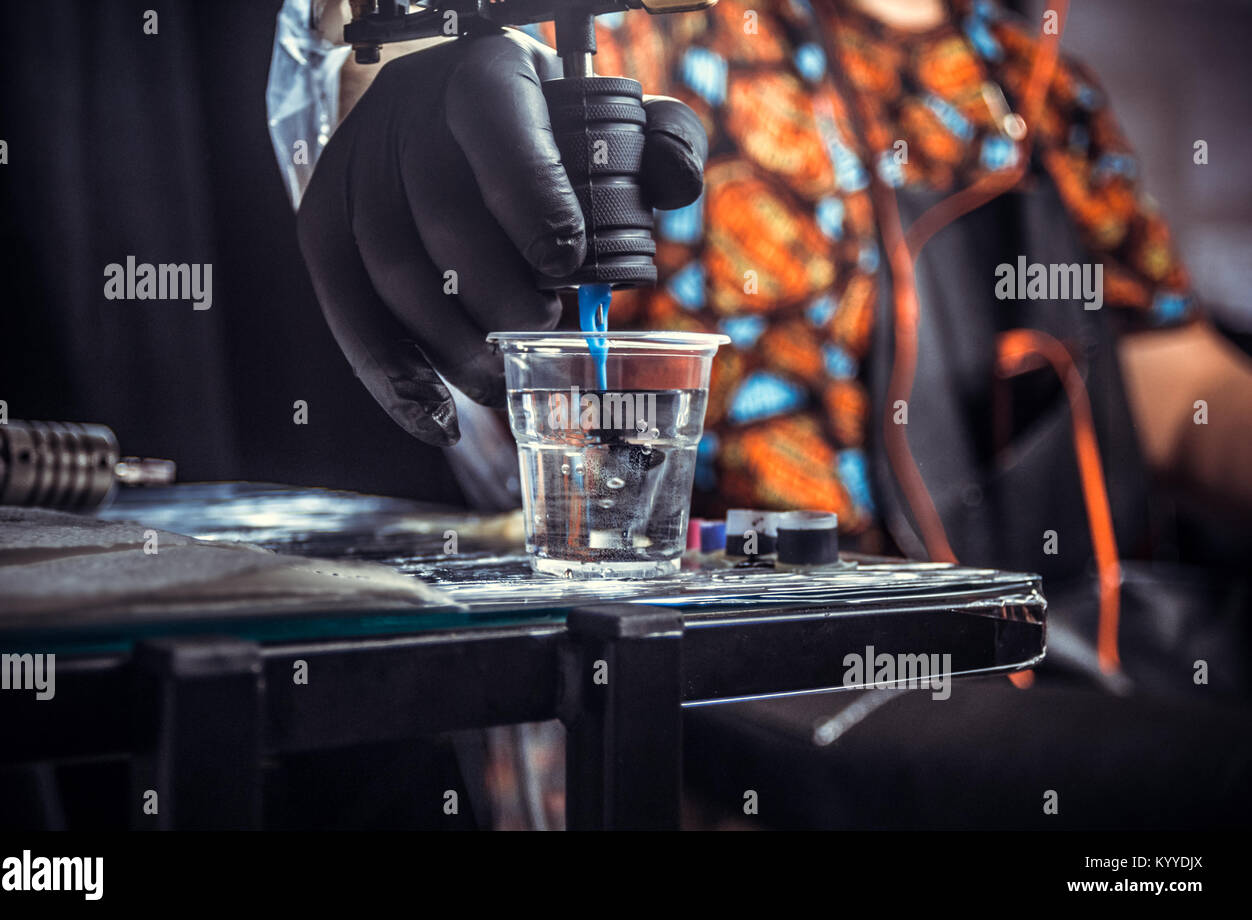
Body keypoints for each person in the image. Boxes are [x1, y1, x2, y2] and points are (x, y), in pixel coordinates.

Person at [273, 0, 1252, 828]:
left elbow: (1172, 389)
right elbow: (427, 59)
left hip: (1019, 646)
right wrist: (407, 63)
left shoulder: (1025, 79)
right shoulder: (670, 32)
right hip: (745, 671)